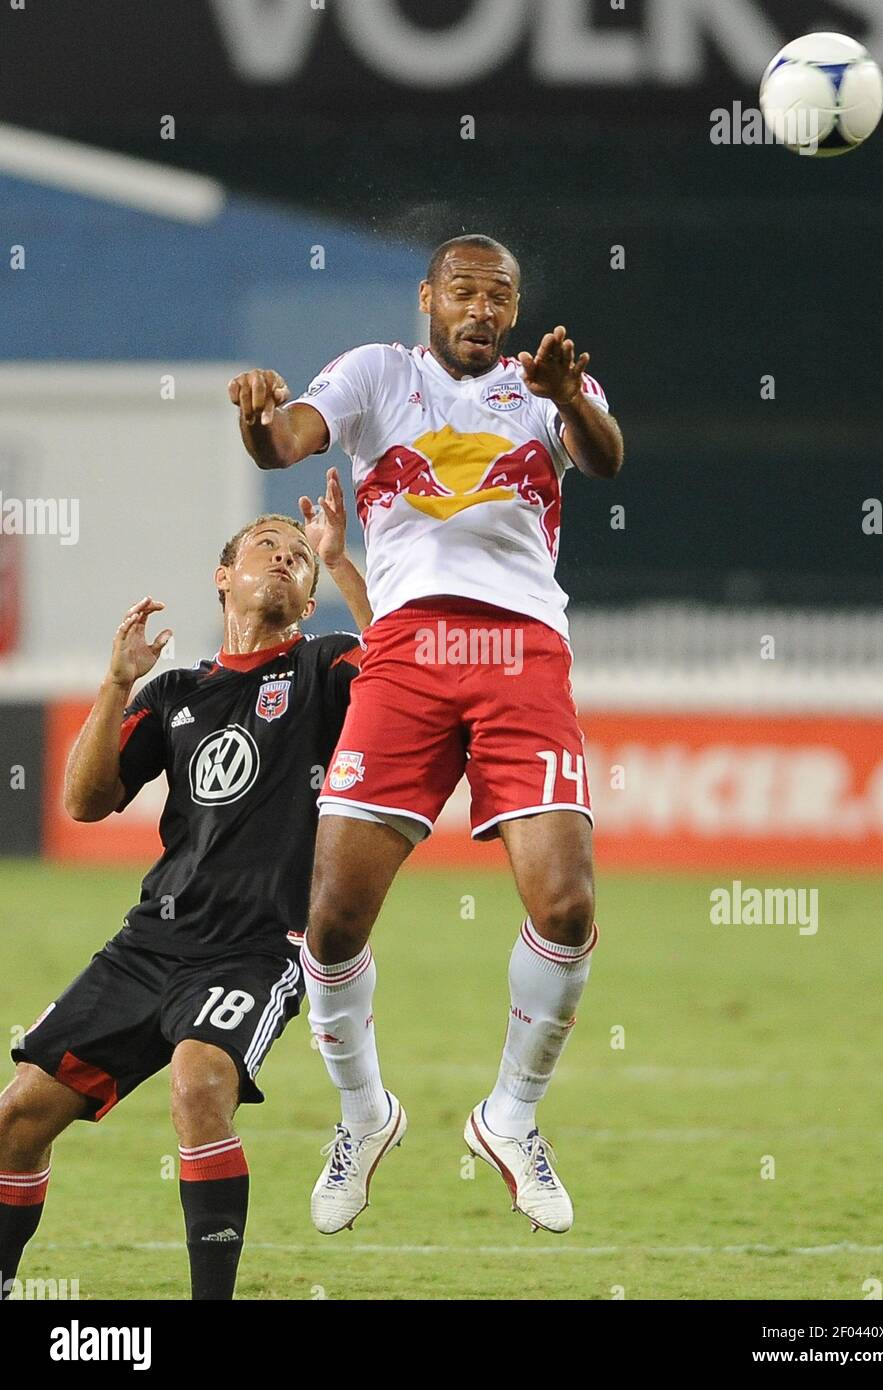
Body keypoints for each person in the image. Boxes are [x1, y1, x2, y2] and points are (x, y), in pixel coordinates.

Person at [229, 233, 624, 1235]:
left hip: (524, 652)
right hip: (405, 655)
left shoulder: (551, 379)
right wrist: (257, 417)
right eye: (463, 290)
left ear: (516, 305)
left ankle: (511, 1116)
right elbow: (286, 443)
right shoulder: (376, 374)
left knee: (567, 904)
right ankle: (364, 1117)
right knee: (331, 920)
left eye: (499, 293)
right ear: (427, 298)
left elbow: (605, 459)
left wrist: (569, 395)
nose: (481, 306)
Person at [0, 475, 373, 1299]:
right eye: (266, 548)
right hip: (149, 945)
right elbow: (84, 802)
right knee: (15, 1118)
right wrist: (115, 683)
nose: (285, 559)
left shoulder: (324, 667)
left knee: (199, 1083)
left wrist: (345, 564)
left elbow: (406, 686)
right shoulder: (174, 694)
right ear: (223, 576)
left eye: (299, 557)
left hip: (255, 947)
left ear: (309, 599)